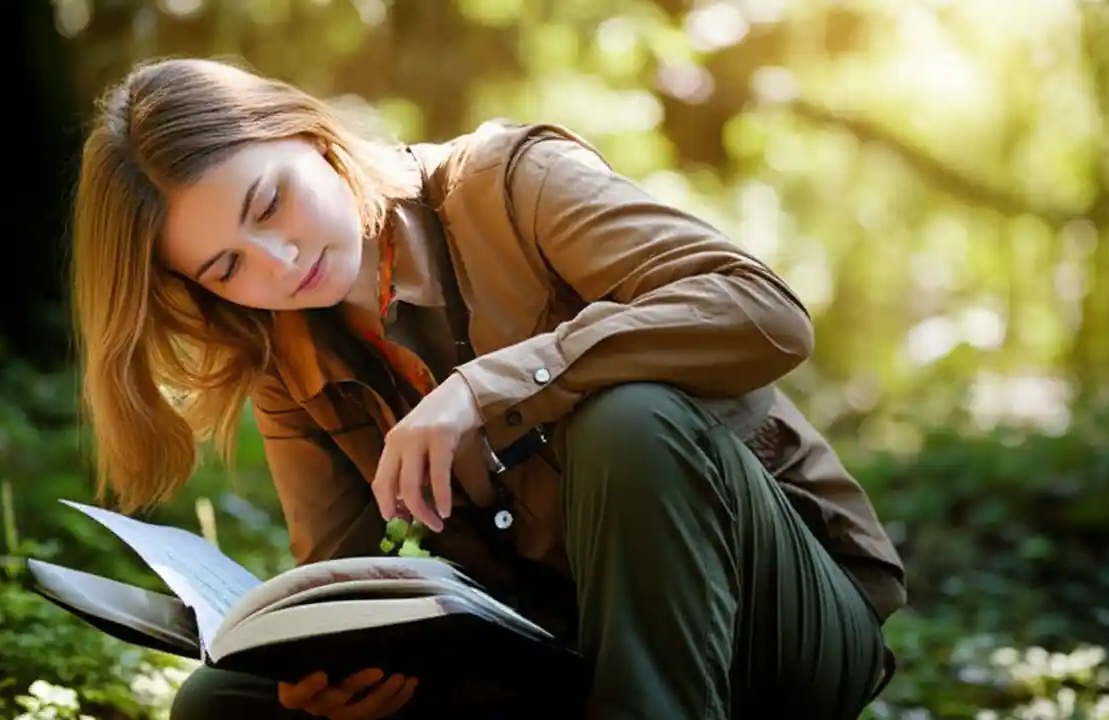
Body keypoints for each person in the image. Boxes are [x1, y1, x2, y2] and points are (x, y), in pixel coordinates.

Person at [68, 55, 907, 720]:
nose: (279, 264)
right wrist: (340, 670)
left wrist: (487, 386)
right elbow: (351, 572)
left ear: (302, 132)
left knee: (629, 419)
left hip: (771, 628)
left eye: (270, 204)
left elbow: (763, 313)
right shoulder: (286, 360)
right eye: (228, 267)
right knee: (225, 705)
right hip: (554, 654)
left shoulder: (509, 183)